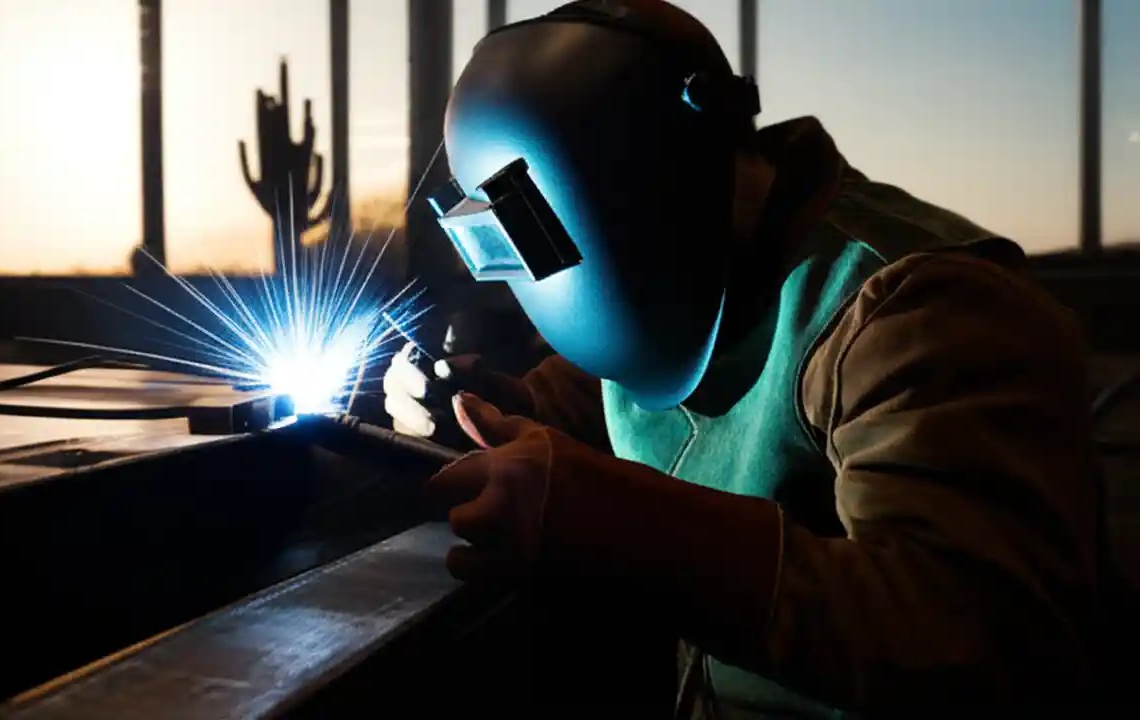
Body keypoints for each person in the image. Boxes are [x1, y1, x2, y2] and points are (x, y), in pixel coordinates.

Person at [383, 0, 1108, 715]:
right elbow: (609, 392)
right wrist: (502, 410)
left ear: (641, 184)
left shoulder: (921, 309)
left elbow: (985, 644)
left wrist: (629, 529)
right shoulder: (671, 296)